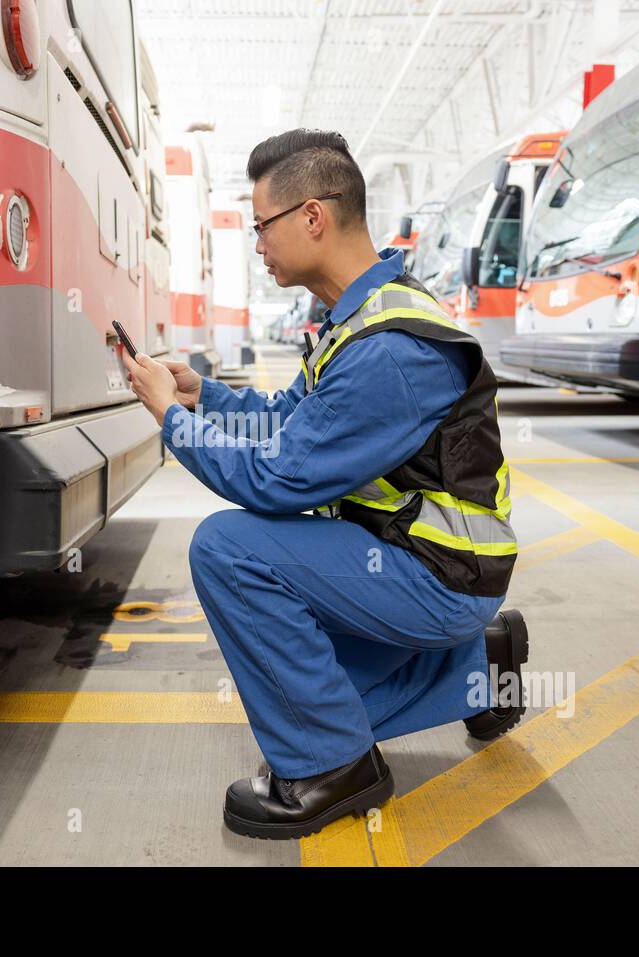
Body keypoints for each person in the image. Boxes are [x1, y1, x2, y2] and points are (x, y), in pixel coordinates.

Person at [121, 129, 528, 841]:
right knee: (318, 686)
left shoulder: (392, 349)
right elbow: (290, 423)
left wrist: (169, 421)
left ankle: (334, 767)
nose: (257, 244)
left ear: (313, 216)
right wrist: (203, 398)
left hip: (439, 575)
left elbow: (277, 478)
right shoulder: (361, 319)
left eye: (262, 226)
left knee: (230, 548)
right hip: (415, 561)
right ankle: (479, 665)